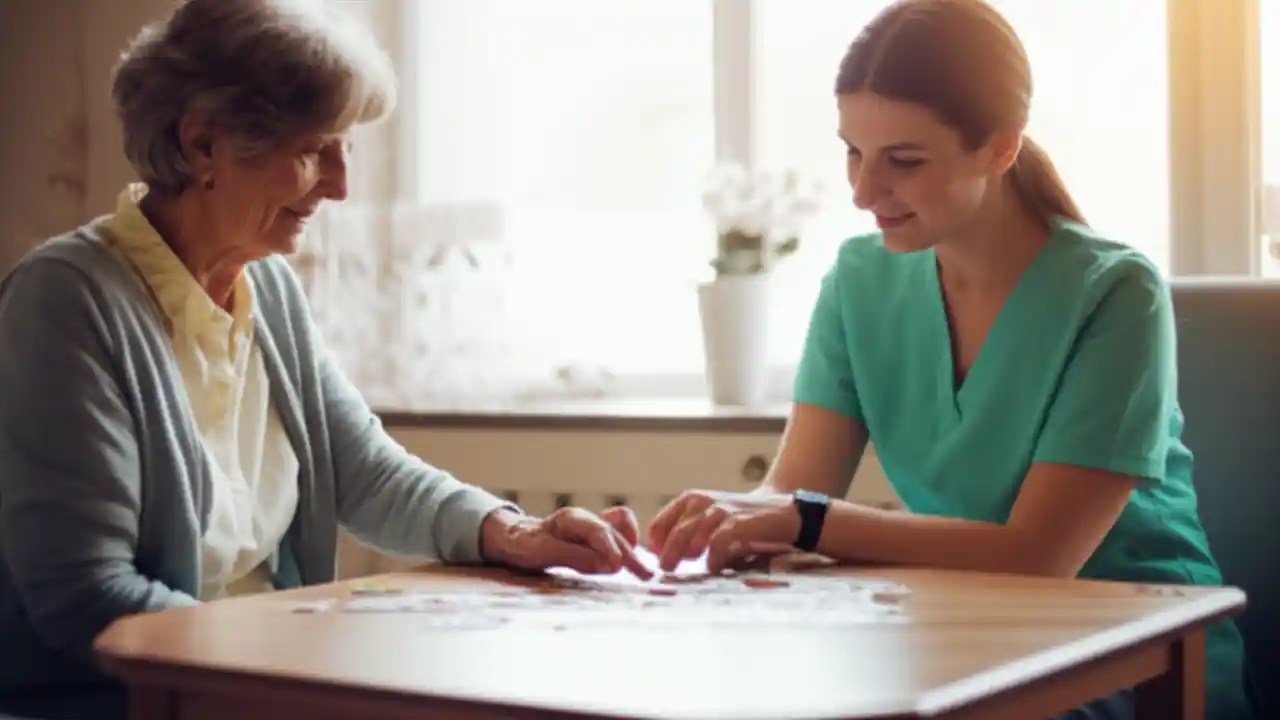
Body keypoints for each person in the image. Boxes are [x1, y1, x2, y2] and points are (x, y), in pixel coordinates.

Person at [0, 1, 647, 717]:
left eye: (345, 148)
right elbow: (83, 595)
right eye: (314, 149)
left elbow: (363, 471)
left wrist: (511, 532)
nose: (340, 185)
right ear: (203, 144)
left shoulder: (266, 286)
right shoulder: (65, 300)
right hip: (123, 699)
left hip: (247, 682)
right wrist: (287, 669)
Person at [645, 1, 1251, 718]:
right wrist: (722, 524)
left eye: (903, 161)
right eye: (852, 151)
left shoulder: (1117, 293)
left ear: (998, 148)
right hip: (963, 637)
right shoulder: (858, 281)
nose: (864, 191)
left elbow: (1039, 557)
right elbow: (795, 492)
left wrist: (800, 520)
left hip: (1134, 658)